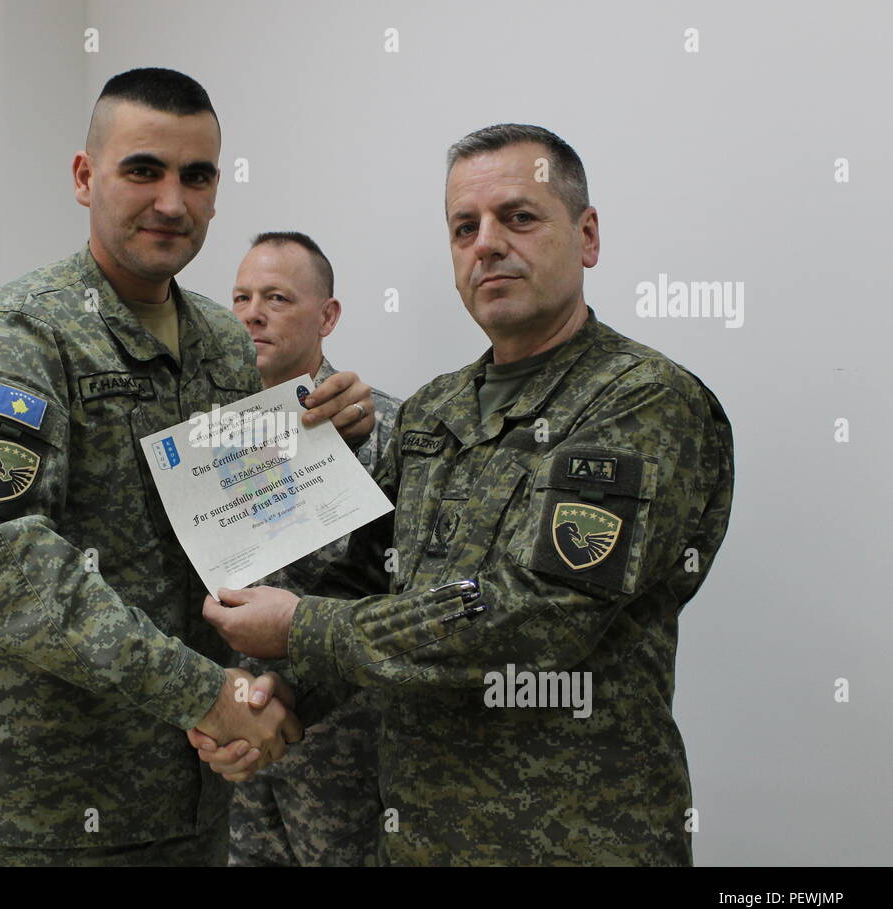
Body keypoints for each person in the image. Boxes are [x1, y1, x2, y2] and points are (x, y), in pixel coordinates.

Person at [196, 124, 735, 866]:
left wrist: (306, 630)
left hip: (578, 843)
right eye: (464, 227)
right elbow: (364, 579)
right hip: (417, 838)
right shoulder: (432, 413)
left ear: (587, 237)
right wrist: (277, 704)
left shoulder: (639, 401)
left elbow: (538, 614)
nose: (486, 243)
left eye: (518, 217)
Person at [0, 68, 376, 867]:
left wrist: (327, 444)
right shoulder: (22, 330)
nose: (173, 201)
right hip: (38, 801)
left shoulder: (223, 342)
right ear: (84, 176)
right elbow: (6, 563)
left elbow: (244, 544)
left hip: (189, 781)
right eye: (144, 170)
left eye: (196, 176)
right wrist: (208, 695)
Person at [213, 231, 400, 866]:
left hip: (346, 747)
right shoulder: (203, 441)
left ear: (328, 316)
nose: (251, 312)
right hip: (235, 736)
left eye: (277, 297)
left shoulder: (389, 429)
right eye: (240, 296)